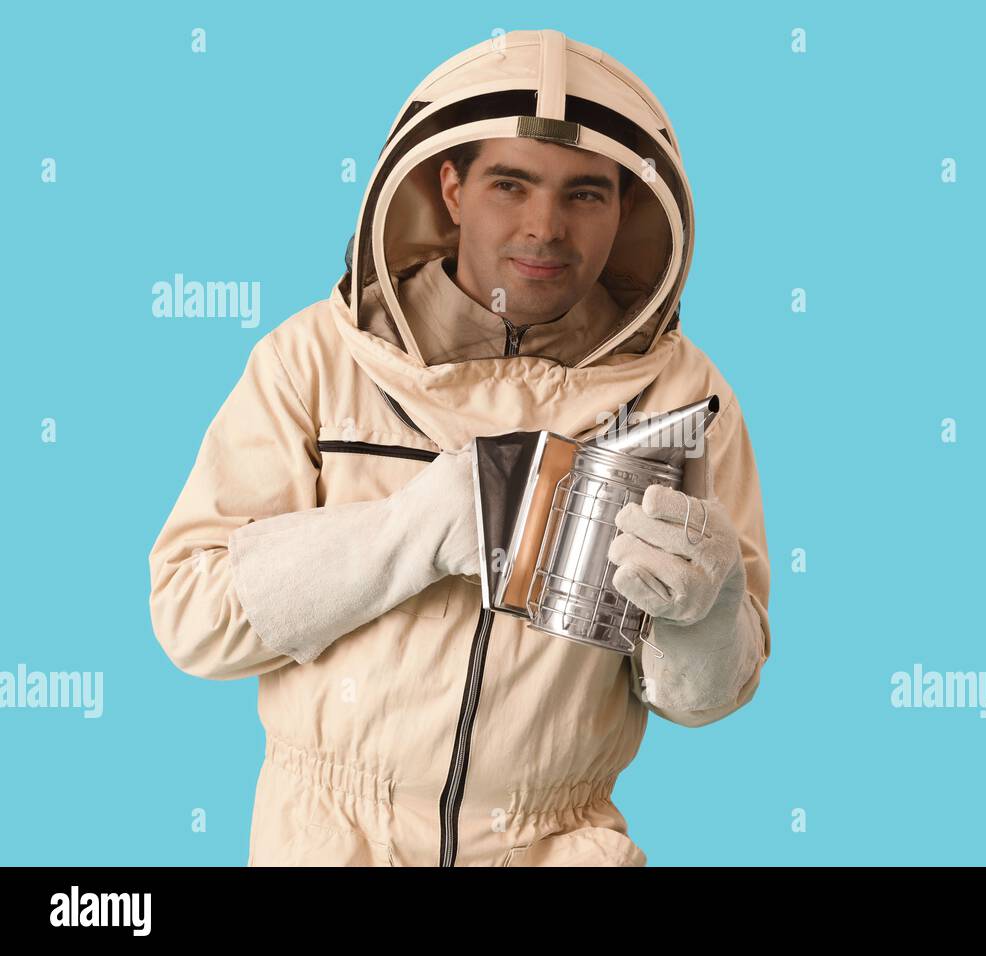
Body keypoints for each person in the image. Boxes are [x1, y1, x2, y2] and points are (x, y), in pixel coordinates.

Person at [147, 28, 771, 867]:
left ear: (628, 207)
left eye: (585, 193)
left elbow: (704, 701)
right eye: (510, 184)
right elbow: (192, 617)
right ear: (448, 186)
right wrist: (416, 529)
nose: (544, 227)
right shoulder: (312, 361)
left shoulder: (685, 397)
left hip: (556, 840)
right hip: (329, 842)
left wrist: (708, 615)